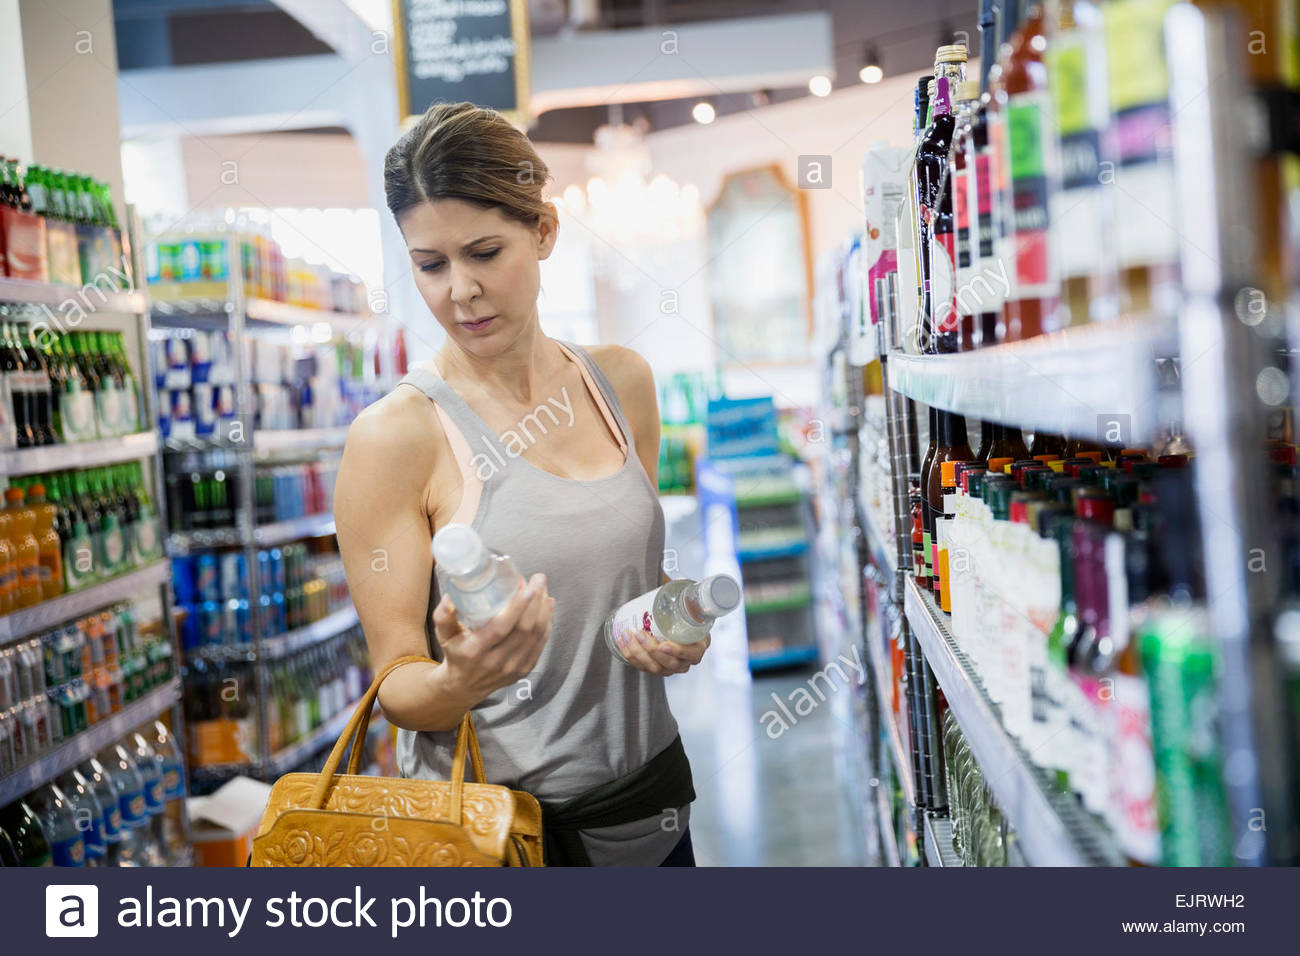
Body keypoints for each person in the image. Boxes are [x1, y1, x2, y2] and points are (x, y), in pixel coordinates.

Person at [333, 101, 708, 866]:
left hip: (652, 808)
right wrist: (461, 680)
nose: (459, 291)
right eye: (430, 264)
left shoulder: (620, 382)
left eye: (483, 252)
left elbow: (629, 574)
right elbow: (397, 683)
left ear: (542, 232)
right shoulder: (394, 437)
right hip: (500, 838)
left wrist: (676, 623)